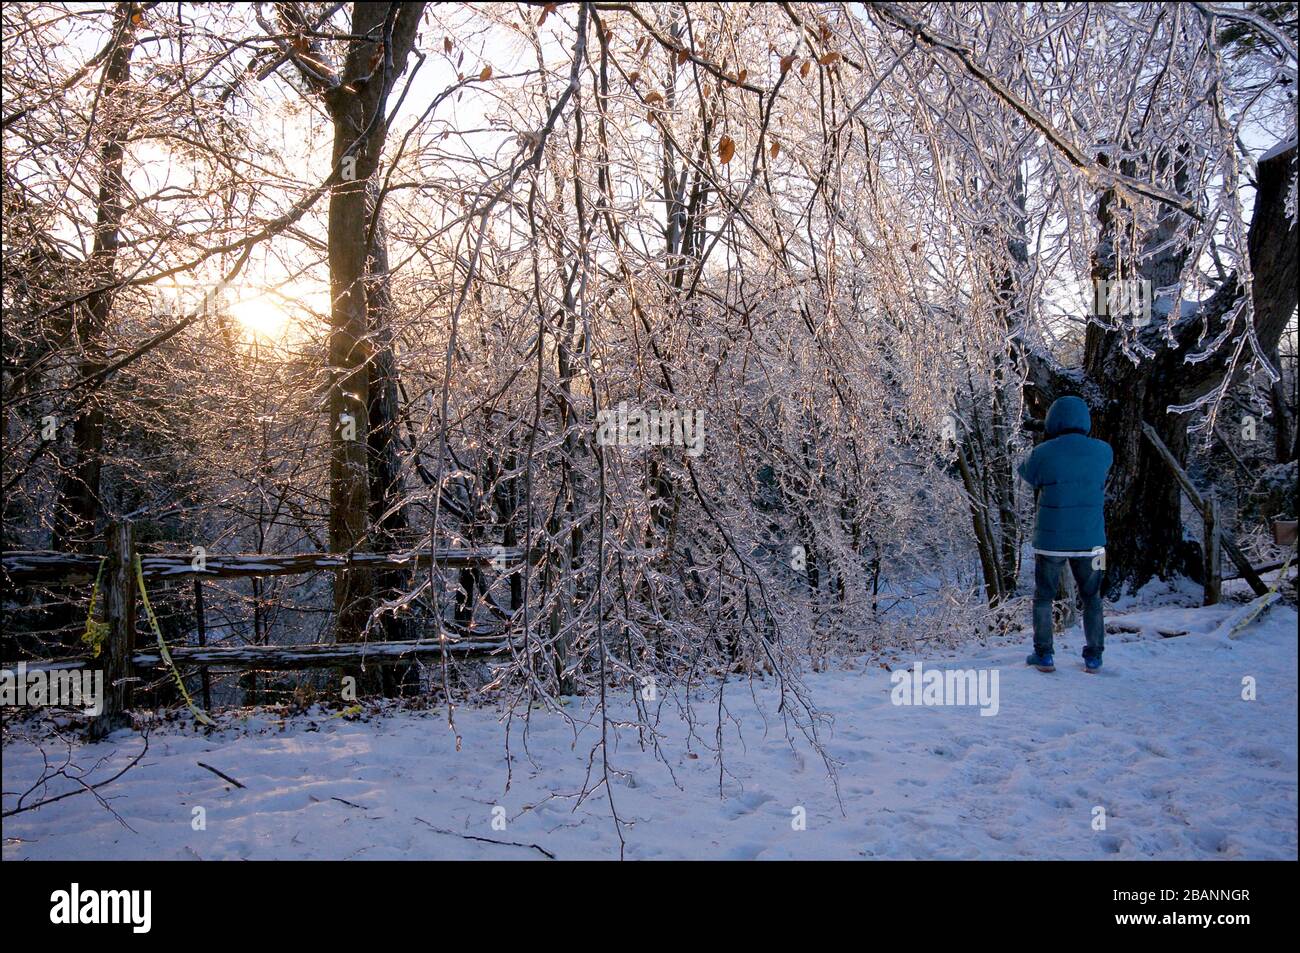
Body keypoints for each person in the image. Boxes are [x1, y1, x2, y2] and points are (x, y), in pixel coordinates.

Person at [1017, 395, 1113, 673]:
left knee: (1044, 596)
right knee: (1092, 596)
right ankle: (1094, 656)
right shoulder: (1103, 451)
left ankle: (1044, 654)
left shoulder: (1043, 453)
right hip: (1092, 542)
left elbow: (1028, 473)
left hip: (1051, 542)